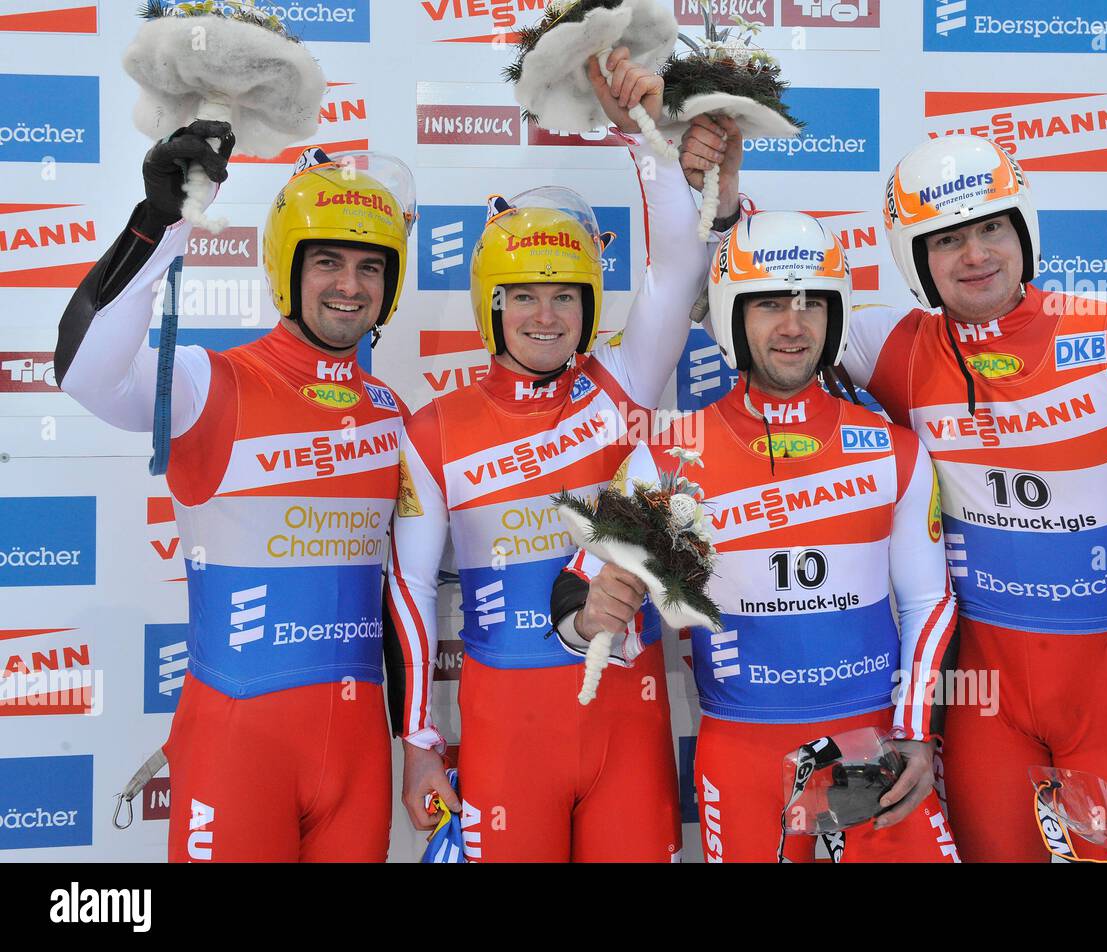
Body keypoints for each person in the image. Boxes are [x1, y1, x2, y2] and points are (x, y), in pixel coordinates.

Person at [840, 134, 1107, 862]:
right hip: (982, 711)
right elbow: (772, 318)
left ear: (1023, 229)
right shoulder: (892, 347)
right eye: (948, 238)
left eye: (993, 226)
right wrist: (725, 210)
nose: (976, 254)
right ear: (914, 259)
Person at [384, 49, 744, 862]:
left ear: (589, 307)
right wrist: (417, 740)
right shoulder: (433, 429)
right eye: (524, 296)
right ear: (492, 305)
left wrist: (644, 141)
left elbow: (680, 264)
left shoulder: (620, 382)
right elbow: (406, 592)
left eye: (566, 295)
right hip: (511, 728)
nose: (544, 316)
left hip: (628, 715)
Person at [550, 211, 961, 863]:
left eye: (810, 304)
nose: (793, 326)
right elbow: (575, 591)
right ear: (731, 313)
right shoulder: (671, 454)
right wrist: (593, 618)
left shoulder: (892, 451)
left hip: (870, 754)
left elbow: (928, 602)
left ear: (836, 314)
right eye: (769, 303)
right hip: (743, 761)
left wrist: (916, 728)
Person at [56, 123, 417, 861]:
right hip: (236, 745)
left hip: (357, 753)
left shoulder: (394, 415)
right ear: (286, 269)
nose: (350, 285)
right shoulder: (207, 382)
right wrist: (157, 226)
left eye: (369, 267)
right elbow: (85, 373)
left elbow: (404, 591)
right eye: (326, 262)